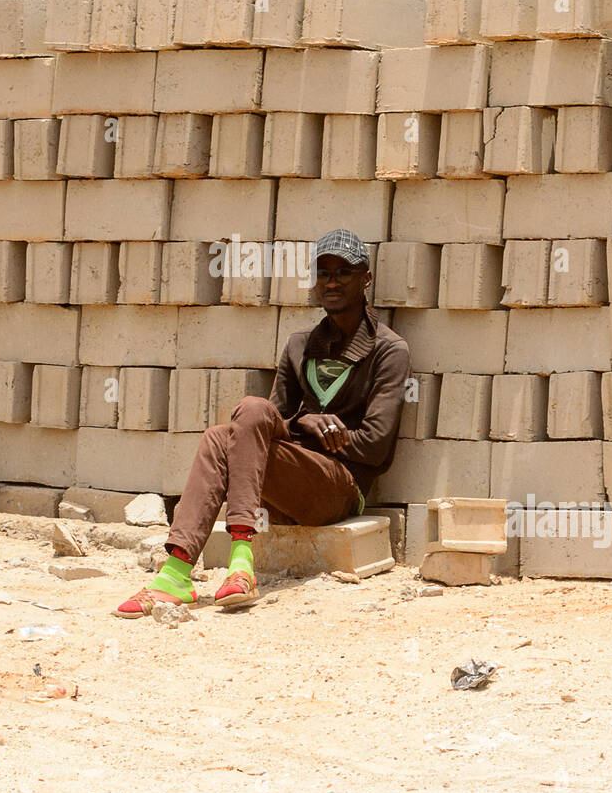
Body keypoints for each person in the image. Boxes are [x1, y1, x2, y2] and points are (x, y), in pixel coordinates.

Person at [115, 228, 410, 617]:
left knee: (225, 436)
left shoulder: (389, 350)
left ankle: (216, 565)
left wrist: (323, 431)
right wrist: (307, 422)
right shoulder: (299, 345)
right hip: (285, 484)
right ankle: (193, 570)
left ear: (366, 279)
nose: (332, 281)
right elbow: (273, 422)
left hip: (339, 488)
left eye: (344, 272)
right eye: (323, 272)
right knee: (242, 419)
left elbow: (375, 446)